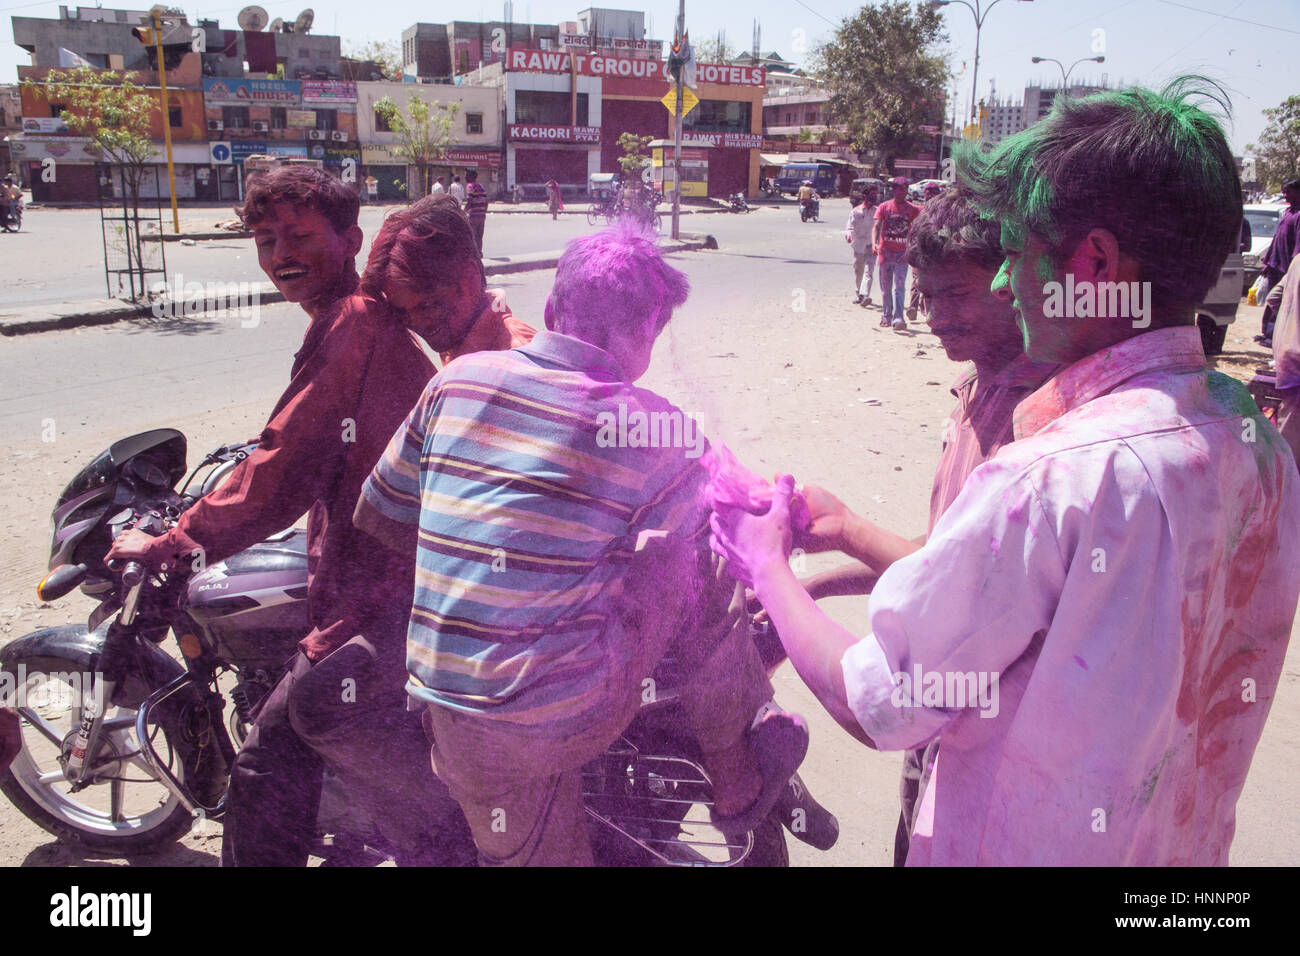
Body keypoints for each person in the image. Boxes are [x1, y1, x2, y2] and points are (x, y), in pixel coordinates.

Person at [711, 79, 1300, 866]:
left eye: (1015, 257)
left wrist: (765, 566)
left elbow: (877, 704)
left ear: (1094, 263)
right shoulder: (1252, 439)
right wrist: (840, 544)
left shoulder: (1053, 477)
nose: (1000, 285)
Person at [355, 225, 810, 866]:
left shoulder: (454, 383)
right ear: (649, 334)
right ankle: (735, 768)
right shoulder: (652, 425)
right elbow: (745, 507)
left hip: (449, 717)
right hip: (565, 712)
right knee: (693, 562)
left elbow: (378, 513)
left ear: (549, 311)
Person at [104, 176, 513, 867]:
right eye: (267, 241)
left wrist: (176, 543)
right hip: (391, 567)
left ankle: (451, 844)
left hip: (388, 588)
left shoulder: (353, 323)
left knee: (273, 754)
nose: (280, 254)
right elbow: (299, 443)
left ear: (349, 241)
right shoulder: (351, 321)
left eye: (299, 236)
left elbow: (283, 467)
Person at [792, 188, 1059, 864]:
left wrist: (783, 590)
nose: (935, 317)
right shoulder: (978, 389)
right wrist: (833, 558)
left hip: (982, 737)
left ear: (1011, 283)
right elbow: (938, 555)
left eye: (956, 296)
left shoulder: (1039, 419)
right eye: (926, 294)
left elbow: (884, 700)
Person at [873, 176, 920, 331]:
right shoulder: (884, 207)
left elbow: (919, 227)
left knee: (899, 287)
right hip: (885, 254)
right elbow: (876, 226)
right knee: (885, 288)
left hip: (902, 255)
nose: (902, 192)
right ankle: (886, 315)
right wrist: (875, 243)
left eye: (905, 189)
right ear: (893, 190)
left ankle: (898, 317)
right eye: (898, 188)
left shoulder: (912, 209)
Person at [1257, 178, 1300, 345]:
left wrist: (1293, 269)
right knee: (1271, 299)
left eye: (1288, 191)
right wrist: (1268, 262)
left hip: (1287, 268)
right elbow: (1277, 239)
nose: (1285, 195)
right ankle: (1266, 332)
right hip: (1276, 264)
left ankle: (1273, 336)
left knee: (1281, 302)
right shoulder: (1288, 212)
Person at [905, 182, 946, 320]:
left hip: (935, 250)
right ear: (924, 194)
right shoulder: (918, 211)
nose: (930, 195)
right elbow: (911, 230)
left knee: (932, 280)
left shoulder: (943, 213)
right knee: (917, 279)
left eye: (934, 192)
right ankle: (913, 307)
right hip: (918, 249)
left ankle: (929, 308)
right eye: (928, 192)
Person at [845, 188, 877, 306]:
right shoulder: (855, 211)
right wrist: (848, 235)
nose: (874, 197)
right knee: (859, 271)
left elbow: (880, 227)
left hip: (871, 245)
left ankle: (865, 295)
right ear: (865, 196)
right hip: (858, 245)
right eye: (872, 194)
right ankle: (859, 293)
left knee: (869, 271)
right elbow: (849, 226)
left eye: (875, 195)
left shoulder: (877, 211)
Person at [463, 169, 489, 257]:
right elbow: (486, 201)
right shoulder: (481, 186)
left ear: (470, 176)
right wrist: (484, 211)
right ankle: (479, 252)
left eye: (466, 175)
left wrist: (463, 211)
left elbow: (469, 201)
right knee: (479, 235)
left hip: (473, 214)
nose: (465, 177)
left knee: (472, 235)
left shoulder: (470, 186)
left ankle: (474, 254)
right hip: (481, 215)